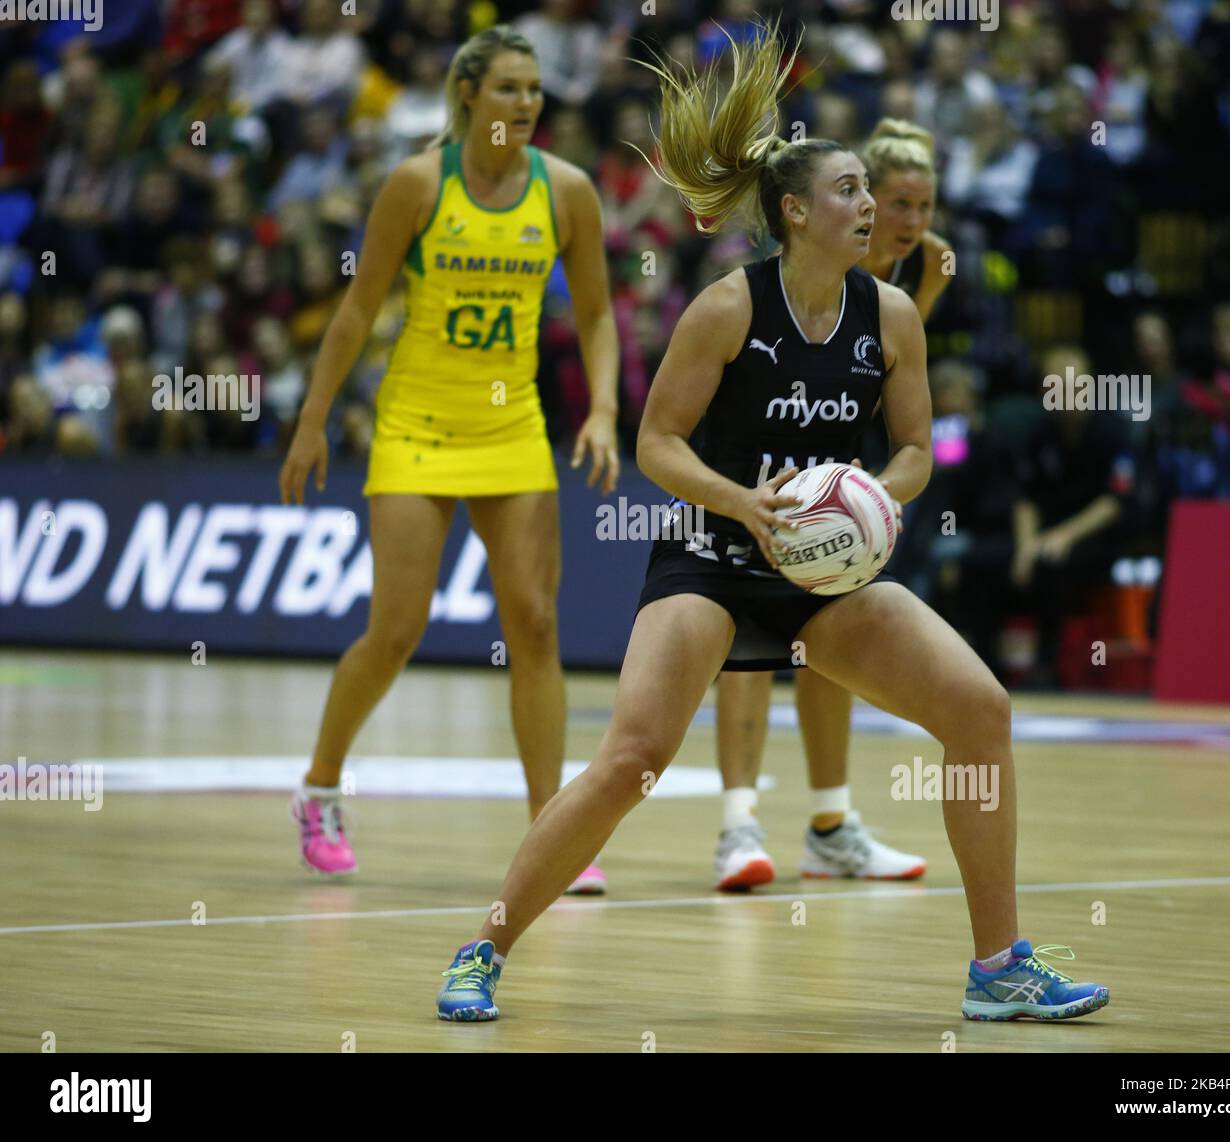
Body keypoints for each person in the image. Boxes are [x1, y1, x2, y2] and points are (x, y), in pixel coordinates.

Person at [436, 25, 1110, 1024]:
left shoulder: (892, 316)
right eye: (849, 190)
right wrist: (744, 501)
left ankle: (997, 965)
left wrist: (873, 493)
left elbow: (920, 449)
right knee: (632, 758)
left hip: (822, 572)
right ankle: (482, 947)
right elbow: (660, 441)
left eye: (869, 193)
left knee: (980, 710)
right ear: (794, 212)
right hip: (712, 558)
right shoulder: (724, 307)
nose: (870, 206)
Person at [278, 26, 620, 894]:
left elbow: (597, 319)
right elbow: (355, 312)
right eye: (509, 88)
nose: (527, 103)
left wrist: (607, 410)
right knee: (396, 630)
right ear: (469, 94)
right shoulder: (418, 184)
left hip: (512, 429)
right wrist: (312, 422)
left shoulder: (568, 191)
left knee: (535, 625)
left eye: (535, 89)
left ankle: (553, 829)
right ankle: (319, 788)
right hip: (418, 423)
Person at [711, 118, 953, 892]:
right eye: (899, 202)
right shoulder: (777, 282)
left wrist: (871, 493)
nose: (910, 222)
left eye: (926, 206)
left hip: (847, 489)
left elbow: (893, 397)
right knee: (746, 646)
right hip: (758, 491)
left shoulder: (910, 283)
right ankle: (737, 824)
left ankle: (829, 822)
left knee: (828, 653)